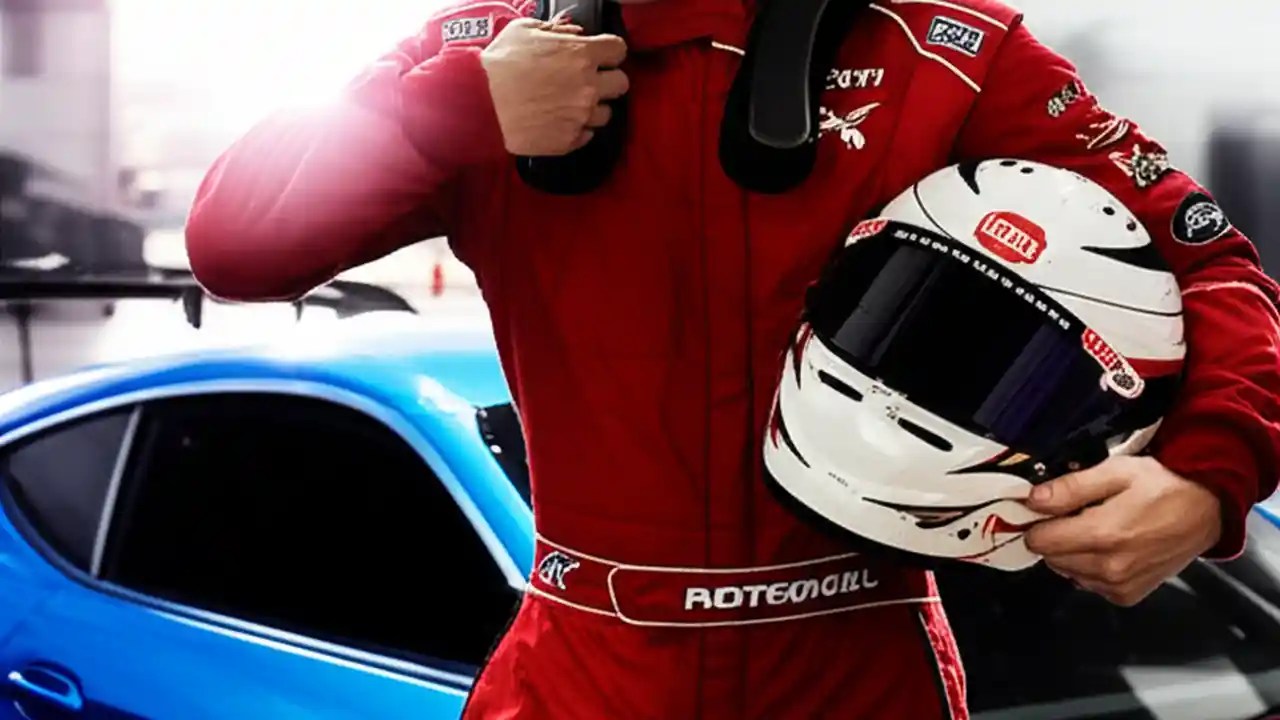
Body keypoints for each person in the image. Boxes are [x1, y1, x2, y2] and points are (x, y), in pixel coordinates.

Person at [185, 0, 1280, 717]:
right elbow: (236, 245)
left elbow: (1213, 264)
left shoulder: (951, 49)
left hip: (861, 663)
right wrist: (451, 108)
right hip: (581, 668)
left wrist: (1203, 475)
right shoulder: (480, 50)